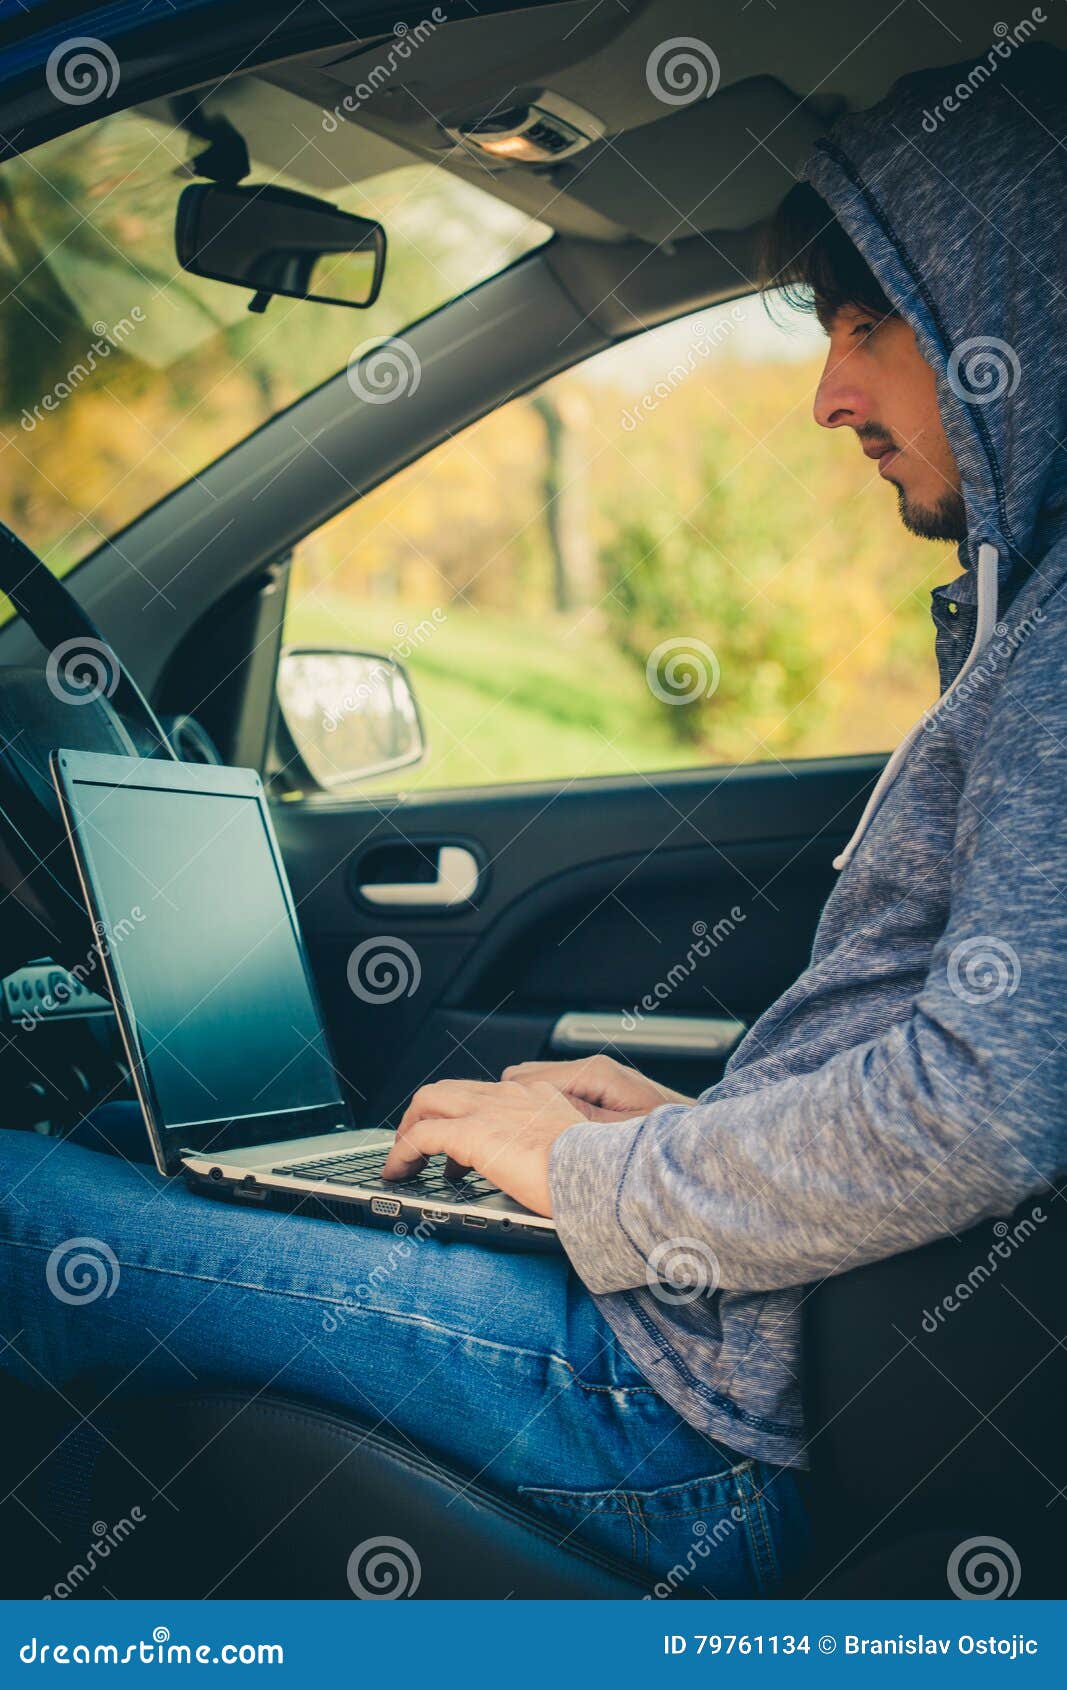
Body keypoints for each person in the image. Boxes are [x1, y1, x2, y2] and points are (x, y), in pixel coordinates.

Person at [1, 46, 1064, 1598]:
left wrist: (594, 1185)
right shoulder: (1021, 631)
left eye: (867, 325)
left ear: (1012, 321)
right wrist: (673, 1130)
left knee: (23, 1203)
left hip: (676, 1409)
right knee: (109, 1145)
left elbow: (992, 1098)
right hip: (720, 1338)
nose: (831, 393)